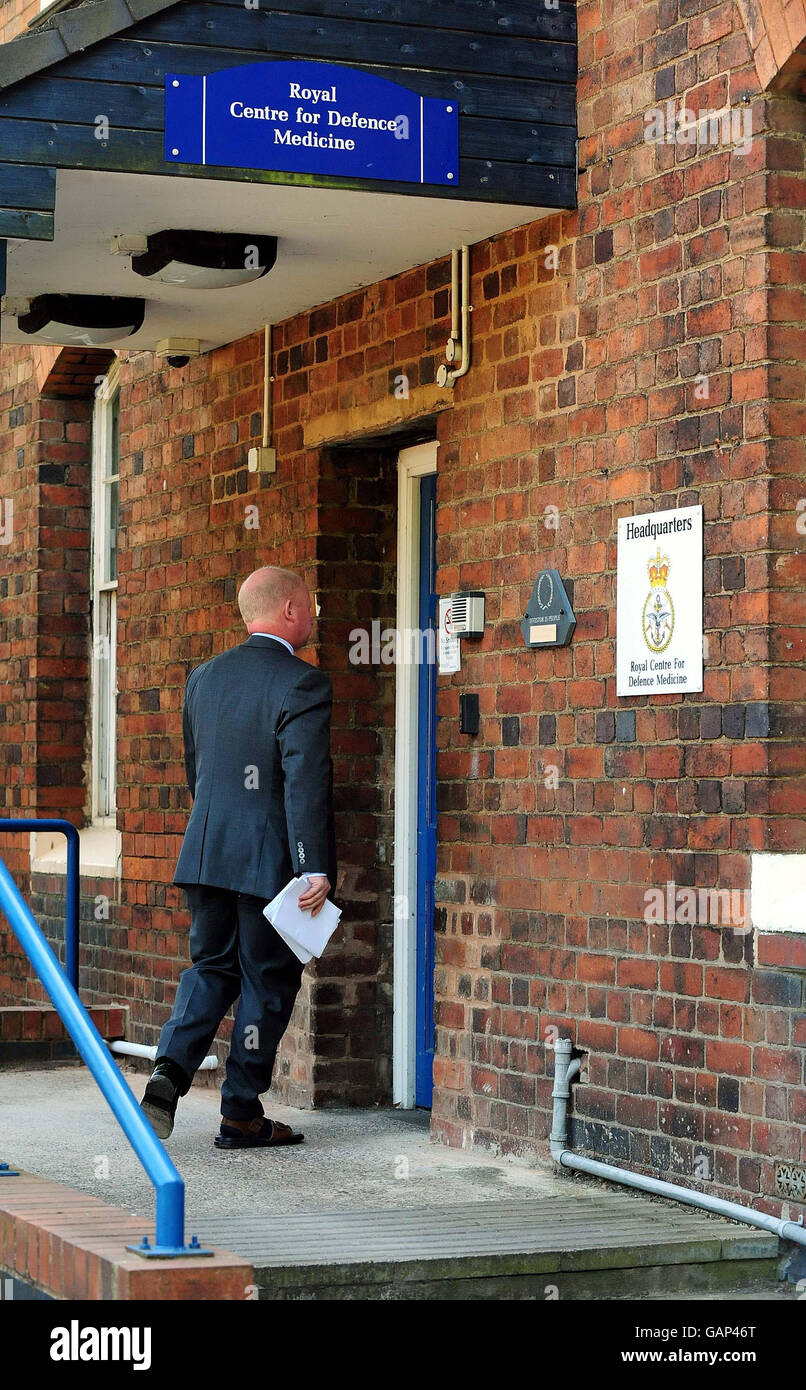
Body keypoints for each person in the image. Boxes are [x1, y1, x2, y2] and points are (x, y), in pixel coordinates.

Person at [139, 566, 336, 1149]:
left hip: (206, 854)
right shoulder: (303, 683)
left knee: (210, 969)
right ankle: (241, 1114)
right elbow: (305, 781)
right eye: (312, 605)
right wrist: (313, 865)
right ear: (292, 610)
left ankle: (167, 1074)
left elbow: (196, 769)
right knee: (267, 982)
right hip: (267, 865)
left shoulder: (203, 679)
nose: (315, 616)